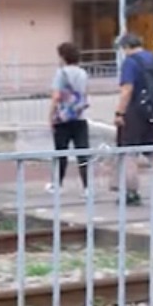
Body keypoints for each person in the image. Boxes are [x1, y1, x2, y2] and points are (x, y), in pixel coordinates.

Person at [114, 33, 153, 204]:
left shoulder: (130, 62)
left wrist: (119, 113)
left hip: (135, 111)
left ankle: (132, 193)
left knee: (130, 152)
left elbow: (127, 89)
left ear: (126, 47)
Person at [47, 42, 90, 194]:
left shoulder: (61, 73)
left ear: (63, 57)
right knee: (83, 151)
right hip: (80, 117)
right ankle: (87, 187)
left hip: (62, 118)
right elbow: (84, 94)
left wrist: (51, 116)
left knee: (61, 151)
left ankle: (57, 184)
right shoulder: (83, 73)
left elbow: (56, 96)